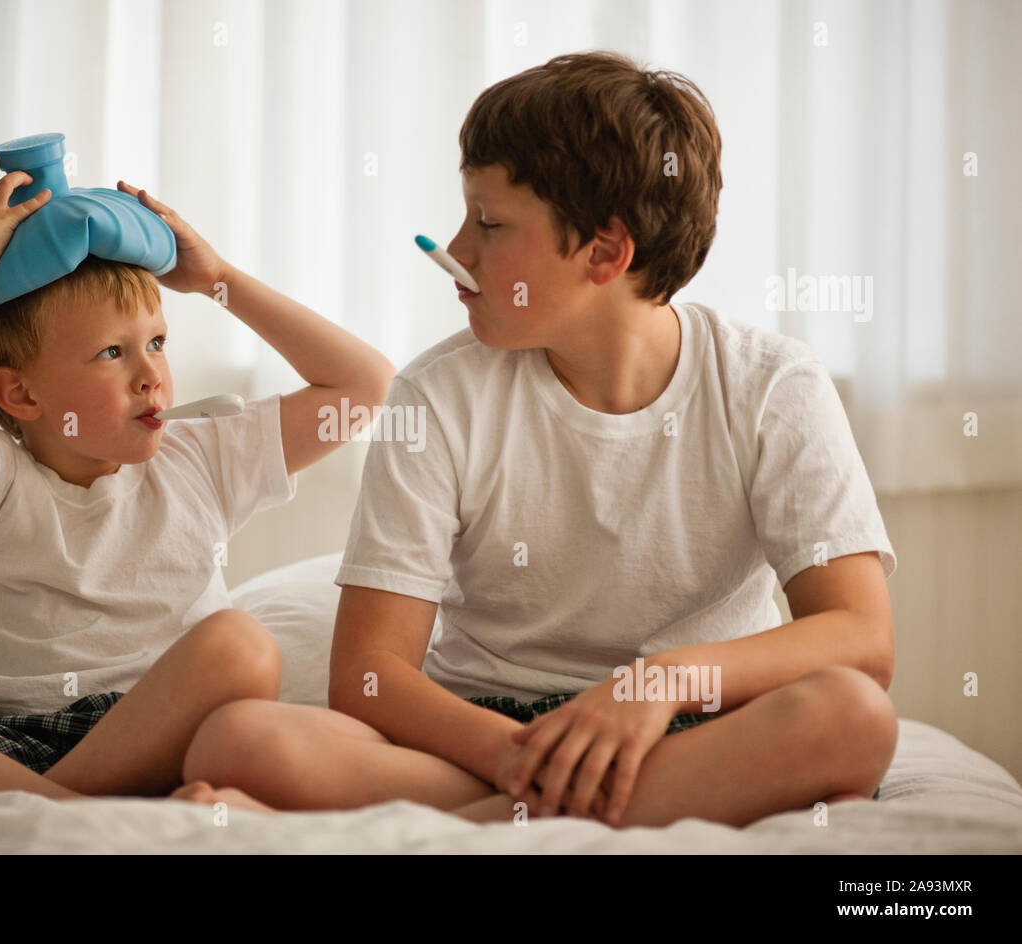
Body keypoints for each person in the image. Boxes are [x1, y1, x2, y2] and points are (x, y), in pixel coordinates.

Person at [177, 51, 899, 828]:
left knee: (853, 714)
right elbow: (370, 677)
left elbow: (860, 637)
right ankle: (602, 801)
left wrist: (651, 686)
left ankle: (493, 818)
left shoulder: (771, 385)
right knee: (238, 739)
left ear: (604, 252)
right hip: (488, 734)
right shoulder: (439, 395)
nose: (453, 250)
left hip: (690, 722)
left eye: (488, 223)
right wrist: (521, 756)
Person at [0, 155, 394, 803]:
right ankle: (69, 808)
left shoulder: (200, 454)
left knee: (243, 644)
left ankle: (54, 808)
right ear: (20, 395)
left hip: (170, 730)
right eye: (113, 352)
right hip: (13, 742)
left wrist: (217, 279)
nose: (150, 374)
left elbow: (362, 387)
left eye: (157, 343)